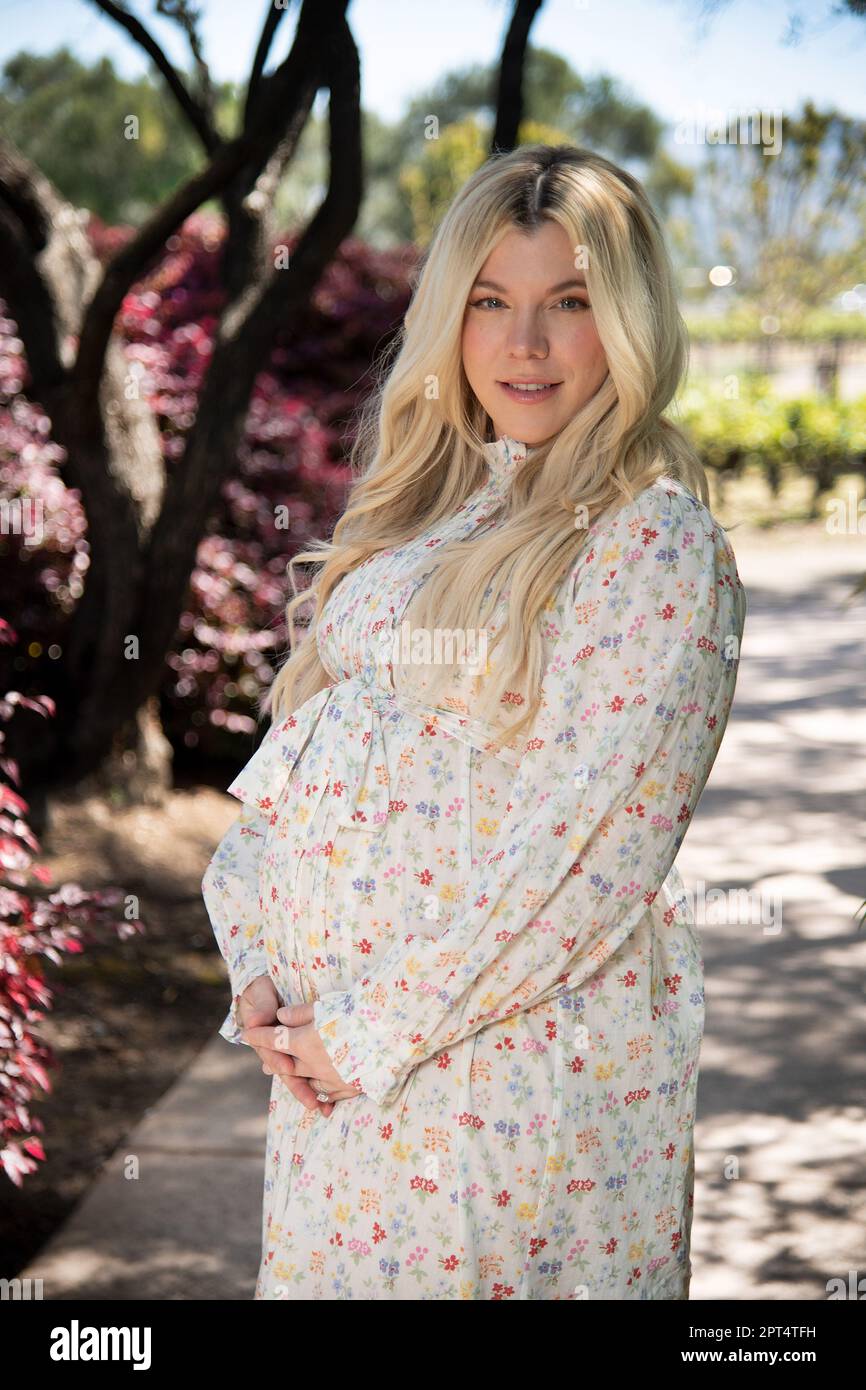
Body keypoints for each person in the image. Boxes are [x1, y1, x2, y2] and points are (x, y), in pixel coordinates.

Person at [201, 142, 747, 1300]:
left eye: (570, 302)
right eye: (490, 301)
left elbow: (582, 860)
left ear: (633, 318)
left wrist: (366, 1031)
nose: (523, 344)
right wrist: (255, 965)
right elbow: (288, 772)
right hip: (336, 1092)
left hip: (505, 1101)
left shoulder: (650, 545)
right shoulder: (417, 520)